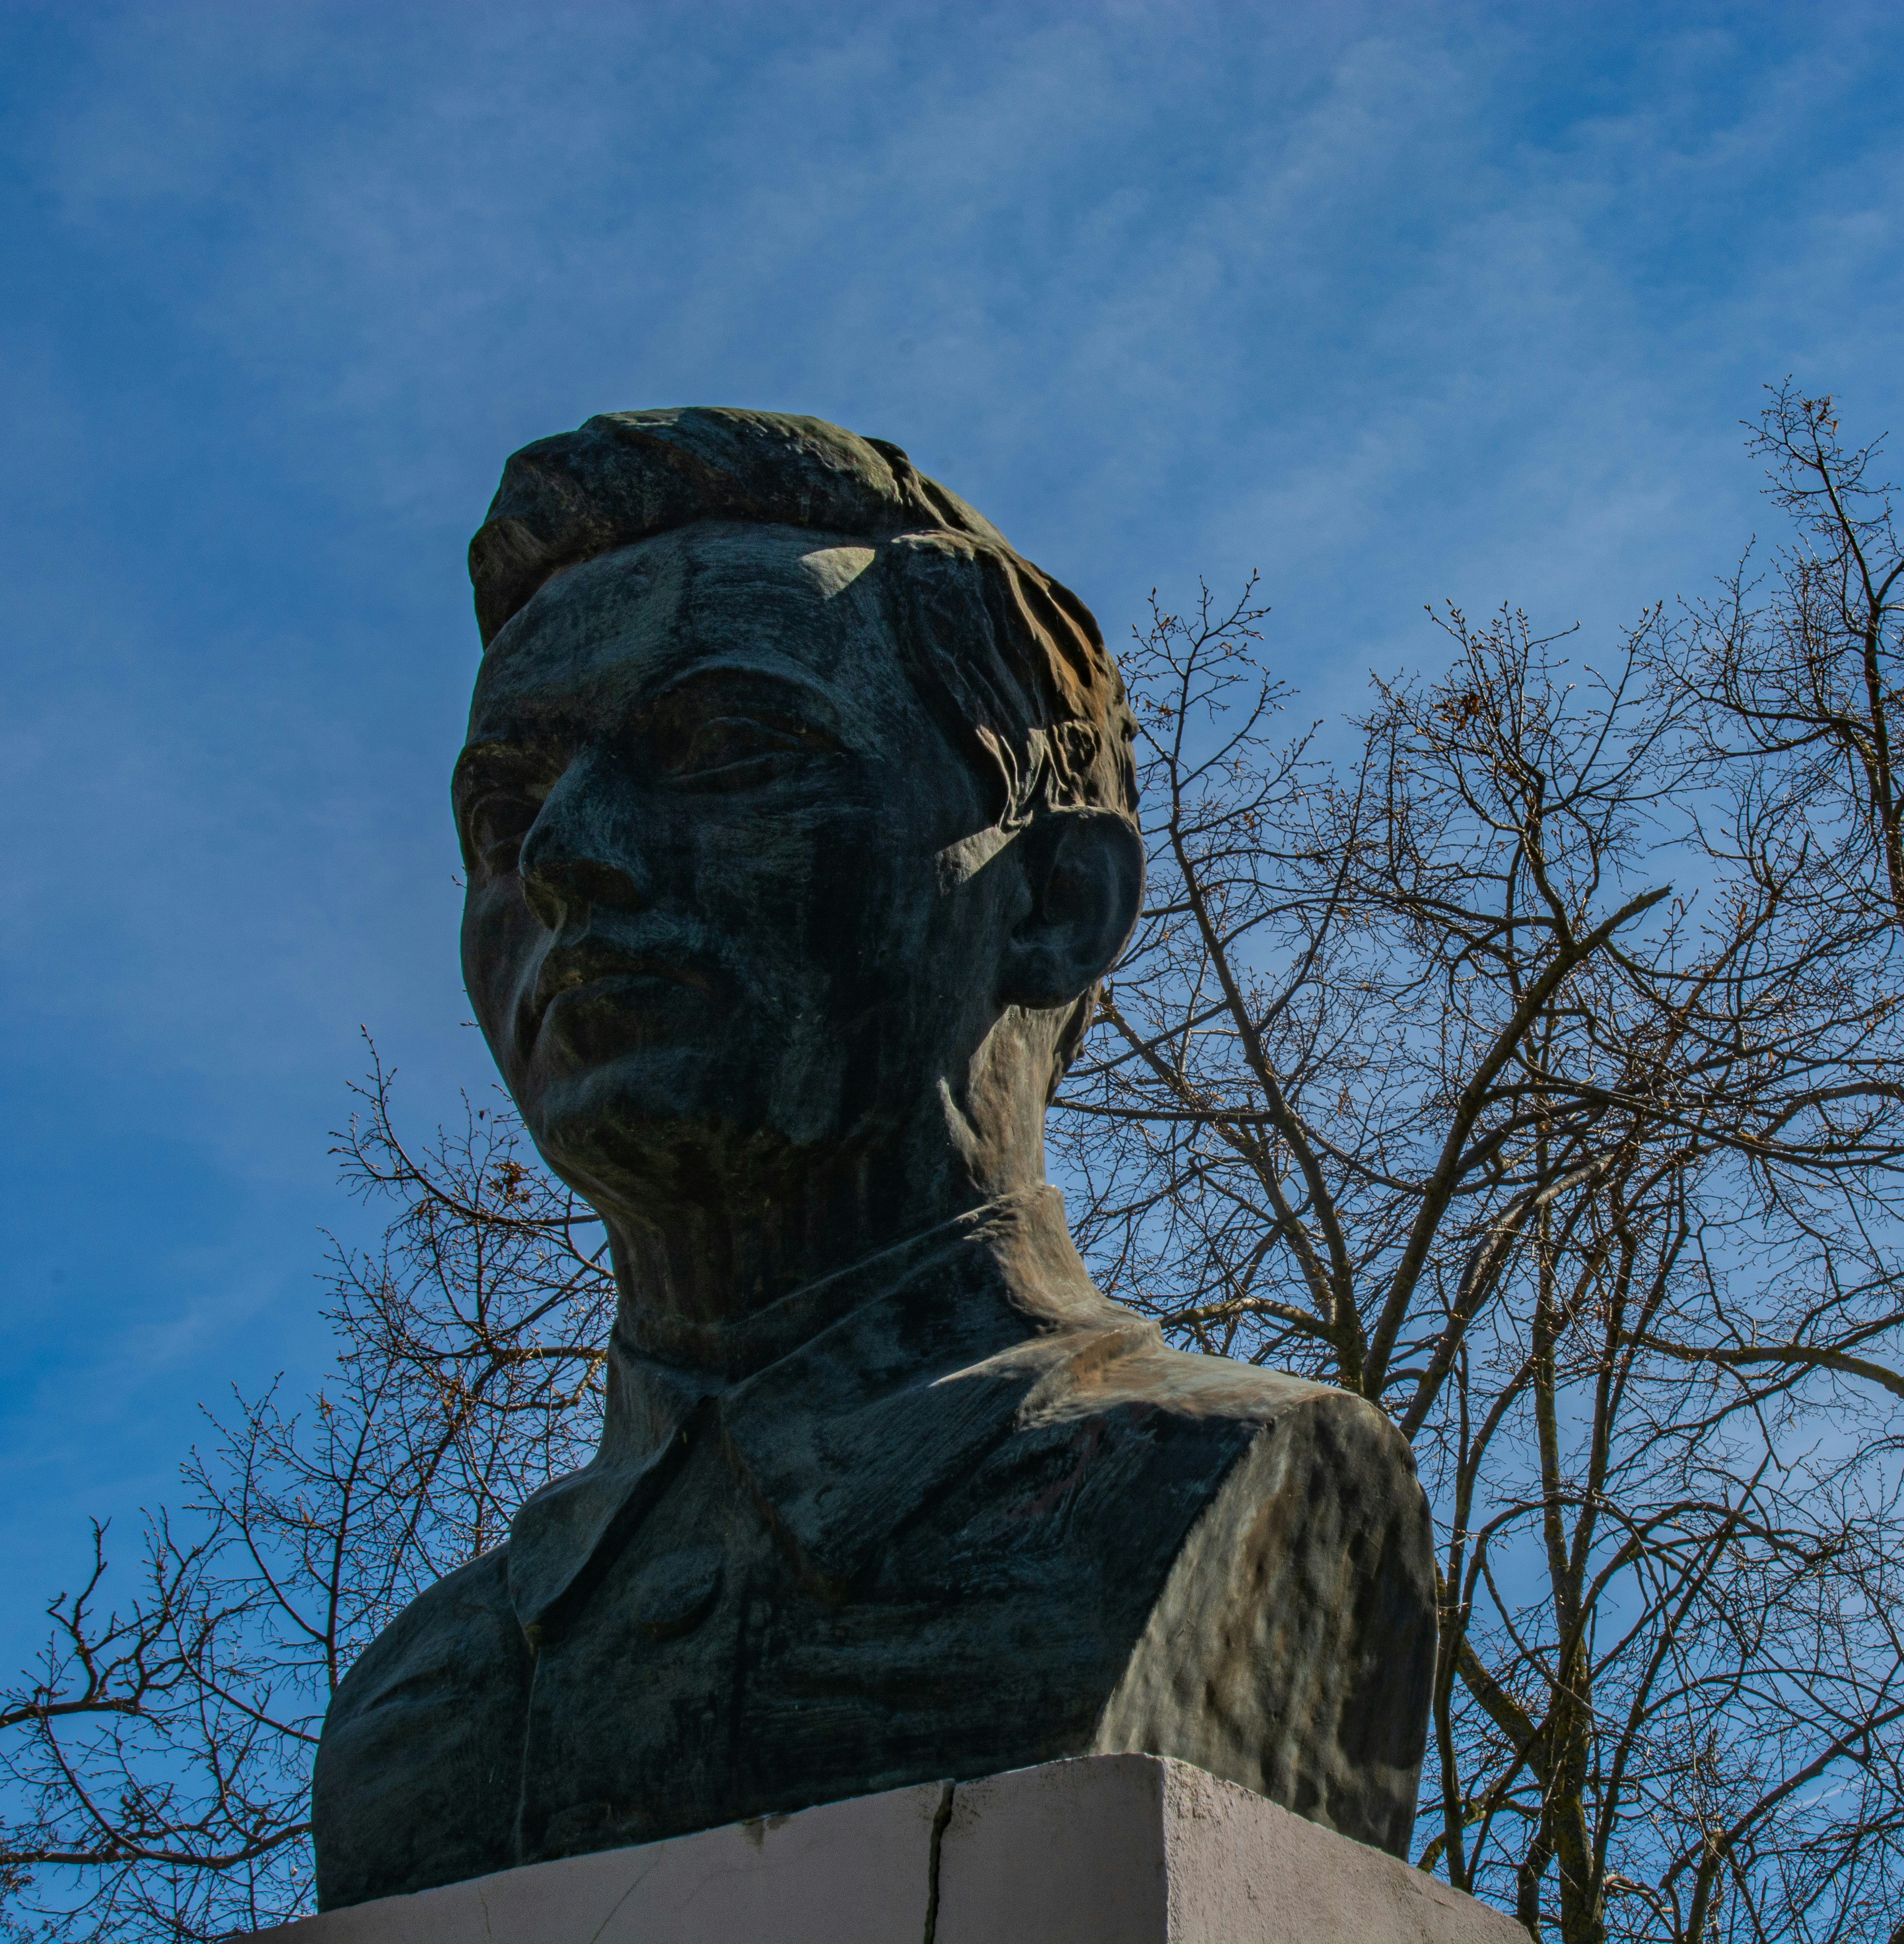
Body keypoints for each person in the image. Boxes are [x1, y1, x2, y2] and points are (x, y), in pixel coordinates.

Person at [309, 410, 1433, 1910]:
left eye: (729, 751)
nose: (562, 854)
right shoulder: (417, 1712)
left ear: (1052, 900)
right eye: (503, 810)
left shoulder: (1223, 1490)